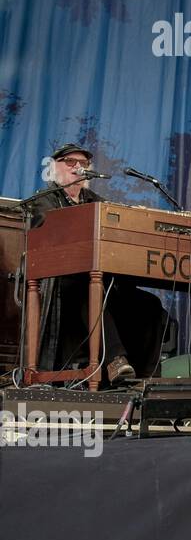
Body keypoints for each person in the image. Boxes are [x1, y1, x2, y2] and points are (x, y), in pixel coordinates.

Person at [26, 142, 168, 384]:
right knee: (88, 287)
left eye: (83, 163)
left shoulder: (97, 201)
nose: (78, 167)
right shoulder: (44, 200)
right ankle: (114, 360)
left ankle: (146, 378)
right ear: (54, 167)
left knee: (151, 305)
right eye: (70, 162)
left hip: (99, 280)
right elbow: (51, 237)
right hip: (63, 286)